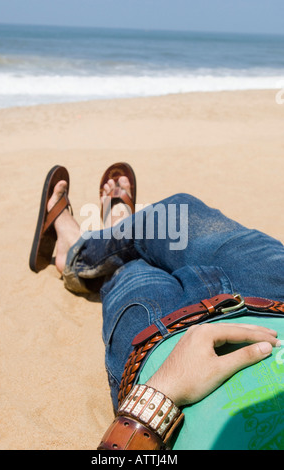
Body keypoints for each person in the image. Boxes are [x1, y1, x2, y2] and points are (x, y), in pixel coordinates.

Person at [29, 163, 284, 450]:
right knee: (175, 212)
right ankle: (104, 232)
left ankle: (82, 244)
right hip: (276, 294)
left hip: (163, 348)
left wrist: (161, 391)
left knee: (131, 269)